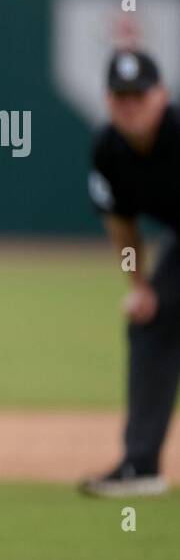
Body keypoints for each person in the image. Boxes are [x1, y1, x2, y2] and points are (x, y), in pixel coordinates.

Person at [83, 49, 176, 496]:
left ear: (162, 96)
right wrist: (139, 286)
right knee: (149, 319)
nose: (130, 105)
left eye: (138, 95)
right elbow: (124, 227)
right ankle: (141, 466)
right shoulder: (108, 150)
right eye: (121, 96)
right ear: (107, 100)